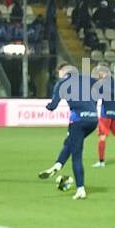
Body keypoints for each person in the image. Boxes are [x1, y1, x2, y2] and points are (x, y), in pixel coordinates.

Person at [39, 63, 99, 199]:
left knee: (76, 154)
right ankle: (57, 165)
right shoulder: (86, 78)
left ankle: (80, 189)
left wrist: (48, 106)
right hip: (93, 120)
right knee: (70, 142)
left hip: (78, 120)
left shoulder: (61, 83)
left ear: (62, 72)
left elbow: (53, 106)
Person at [94, 65, 115, 167]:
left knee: (102, 137)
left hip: (106, 114)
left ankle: (101, 162)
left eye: (99, 72)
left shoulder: (101, 84)